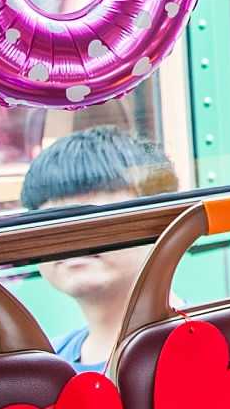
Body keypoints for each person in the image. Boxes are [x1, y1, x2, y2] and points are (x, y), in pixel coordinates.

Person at [21, 126, 178, 373]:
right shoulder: (44, 367)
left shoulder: (210, 336)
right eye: (51, 224)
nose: (70, 237)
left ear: (159, 222)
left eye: (92, 220)